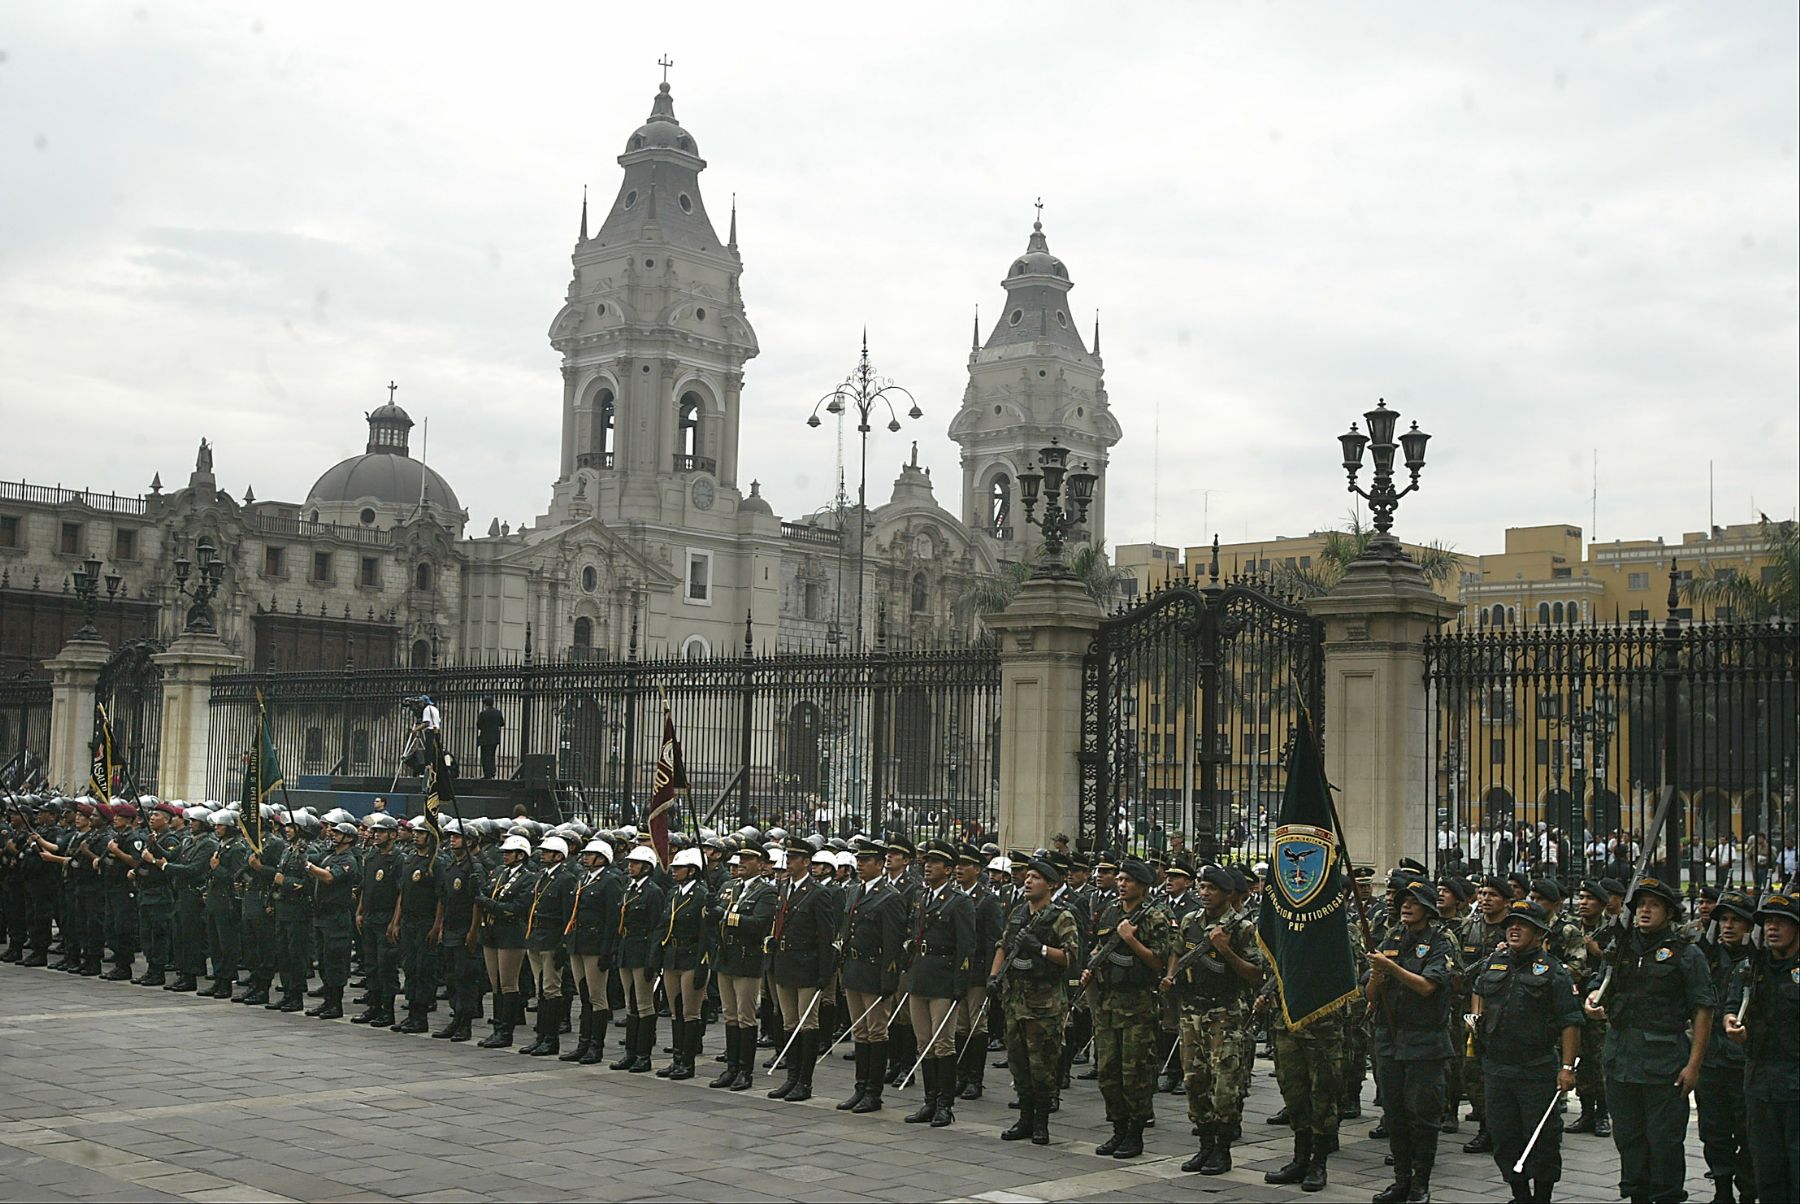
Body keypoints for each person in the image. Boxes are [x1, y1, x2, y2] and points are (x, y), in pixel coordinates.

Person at [1583, 876, 1715, 1204]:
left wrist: (1694, 1065)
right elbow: (1600, 985)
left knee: (1665, 1140)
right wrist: (1593, 1002)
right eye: (1641, 904)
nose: (1645, 910)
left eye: (1653, 905)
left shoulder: (1686, 953)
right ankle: (1636, 1195)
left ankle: (1667, 1196)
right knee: (1628, 1138)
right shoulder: (1621, 947)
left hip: (1665, 1063)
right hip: (1621, 1059)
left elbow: (1703, 1010)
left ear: (1669, 912)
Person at [1470, 899, 1582, 1203]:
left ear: (1538, 933)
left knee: (1542, 1139)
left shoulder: (1553, 971)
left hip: (1535, 1068)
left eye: (1523, 925)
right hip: (1497, 1066)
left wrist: (1567, 1068)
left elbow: (1570, 1022)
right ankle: (1520, 1195)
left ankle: (1542, 1197)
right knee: (1504, 1136)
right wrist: (1476, 1023)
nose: (1514, 929)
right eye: (1511, 924)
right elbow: (1478, 990)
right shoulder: (1495, 962)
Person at [1367, 879, 1460, 1204]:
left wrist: (1391, 968)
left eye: (1414, 902)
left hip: (1425, 1041)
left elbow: (1427, 987)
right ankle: (1401, 1180)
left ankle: (1421, 1183)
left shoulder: (1441, 940)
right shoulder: (1391, 936)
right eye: (1403, 901)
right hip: (1390, 1038)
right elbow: (1370, 992)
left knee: (1423, 1116)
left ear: (1428, 908)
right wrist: (1377, 977)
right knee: (1394, 1113)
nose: (1406, 906)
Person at [1169, 863, 1262, 1175]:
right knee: (1195, 1081)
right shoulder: (1190, 921)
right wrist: (1171, 976)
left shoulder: (1241, 927)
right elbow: (1177, 950)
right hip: (1192, 1011)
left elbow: (1255, 974)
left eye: (1211, 888)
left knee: (1225, 1085)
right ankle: (1205, 1145)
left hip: (1225, 1013)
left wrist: (1226, 951)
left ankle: (1222, 1150)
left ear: (1227, 893)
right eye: (1202, 887)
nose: (1204, 893)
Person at [1083, 857, 1173, 1160]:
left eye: (1128, 880)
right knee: (1108, 1071)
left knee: (1135, 1072)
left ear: (1144, 886)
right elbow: (1100, 945)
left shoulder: (1155, 916)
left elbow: (1158, 962)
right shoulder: (1111, 911)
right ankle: (1118, 1128)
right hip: (1109, 1003)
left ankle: (1135, 1133)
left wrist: (1131, 940)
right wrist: (1093, 963)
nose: (1121, 885)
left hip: (1138, 1005)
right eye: (1119, 879)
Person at [992, 856, 1078, 1146]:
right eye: (1027, 876)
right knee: (1019, 1063)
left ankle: (1041, 1122)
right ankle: (1025, 1118)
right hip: (1015, 999)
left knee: (1042, 1066)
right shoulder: (1018, 913)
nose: (1028, 881)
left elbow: (1069, 958)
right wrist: (994, 976)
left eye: (1036, 878)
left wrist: (1040, 948)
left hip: (1045, 1003)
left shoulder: (1061, 916)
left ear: (1052, 885)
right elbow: (1003, 946)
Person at [1725, 891, 1799, 1204]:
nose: (1772, 928)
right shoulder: (1751, 967)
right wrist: (1732, 1022)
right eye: (1768, 922)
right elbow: (1730, 1006)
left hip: (1796, 1083)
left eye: (1782, 923)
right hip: (1759, 1080)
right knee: (1766, 1168)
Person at [901, 838, 975, 1128]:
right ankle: (929, 1100)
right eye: (926, 861)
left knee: (942, 1042)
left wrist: (960, 984)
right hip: (920, 975)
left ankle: (945, 1104)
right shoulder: (922, 898)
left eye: (934, 862)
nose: (927, 866)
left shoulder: (960, 902)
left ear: (948, 868)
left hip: (944, 978)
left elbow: (966, 946)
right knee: (923, 1043)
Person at [836, 836, 906, 1113]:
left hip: (875, 971)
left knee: (876, 1032)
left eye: (865, 861)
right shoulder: (855, 891)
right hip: (854, 969)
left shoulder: (890, 897)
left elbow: (893, 944)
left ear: (880, 864)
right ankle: (860, 1087)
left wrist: (889, 979)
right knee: (860, 1032)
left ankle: (873, 1093)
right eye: (858, 860)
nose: (860, 865)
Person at [767, 832, 838, 1103]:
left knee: (807, 1024)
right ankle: (791, 1076)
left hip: (807, 964)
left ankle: (804, 1082)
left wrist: (824, 972)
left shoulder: (818, 893)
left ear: (807, 862)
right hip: (785, 963)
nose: (789, 862)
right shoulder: (785, 888)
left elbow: (825, 935)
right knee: (789, 1022)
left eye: (794, 858)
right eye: (789, 857)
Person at [1697, 890, 1756, 1204]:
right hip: (1710, 1059)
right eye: (1724, 920)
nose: (1728, 926)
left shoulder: (1759, 959)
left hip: (1744, 1061)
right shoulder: (1704, 956)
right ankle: (1722, 1190)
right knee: (1714, 1130)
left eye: (1737, 921)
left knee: (1748, 1132)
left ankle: (1748, 1190)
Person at [954, 840, 1006, 1101]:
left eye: (965, 865)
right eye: (957, 864)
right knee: (959, 1025)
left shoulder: (987, 901)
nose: (959, 869)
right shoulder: (952, 895)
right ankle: (960, 1075)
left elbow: (993, 941)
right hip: (955, 971)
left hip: (976, 970)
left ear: (977, 869)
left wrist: (991, 976)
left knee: (975, 1025)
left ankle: (975, 1078)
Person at [656, 846, 714, 1079]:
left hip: (692, 957)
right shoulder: (673, 893)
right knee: (675, 1011)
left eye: (679, 868)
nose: (673, 871)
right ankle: (677, 1058)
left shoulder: (701, 895)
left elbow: (706, 934)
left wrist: (702, 963)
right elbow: (664, 925)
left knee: (690, 1012)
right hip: (673, 955)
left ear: (692, 870)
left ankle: (687, 1063)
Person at [475, 833, 537, 1049]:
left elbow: (517, 908)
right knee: (495, 984)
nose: (505, 856)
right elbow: (487, 892)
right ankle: (497, 1028)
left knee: (508, 983)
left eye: (509, 852)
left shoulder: (528, 877)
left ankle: (506, 1032)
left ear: (521, 855)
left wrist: (489, 904)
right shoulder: (500, 872)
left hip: (511, 934)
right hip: (492, 931)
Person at [611, 844, 665, 1071]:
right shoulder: (629, 888)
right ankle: (630, 1052)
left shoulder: (653, 892)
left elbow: (656, 928)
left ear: (646, 867)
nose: (630, 867)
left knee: (644, 1004)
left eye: (635, 864)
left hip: (642, 951)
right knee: (629, 1003)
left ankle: (644, 1054)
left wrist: (653, 960)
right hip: (627, 948)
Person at [519, 834, 574, 1057]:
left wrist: (563, 944)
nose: (543, 855)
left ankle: (551, 1039)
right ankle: (541, 1036)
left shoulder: (566, 879)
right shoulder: (543, 876)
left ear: (559, 855)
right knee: (541, 989)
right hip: (537, 939)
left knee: (551, 989)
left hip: (552, 940)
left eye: (547, 852)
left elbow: (568, 915)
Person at [431, 819, 485, 1042]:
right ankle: (456, 1017)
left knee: (466, 978)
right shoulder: (451, 865)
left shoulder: (474, 867)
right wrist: (439, 925)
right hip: (451, 928)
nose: (452, 839)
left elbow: (477, 901)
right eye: (451, 836)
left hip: (465, 928)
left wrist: (473, 931)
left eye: (457, 836)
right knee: (452, 977)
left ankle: (465, 1023)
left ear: (469, 841)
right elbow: (443, 898)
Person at [302, 820, 360, 1019]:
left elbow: (328, 877)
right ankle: (327, 1001)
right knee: (324, 961)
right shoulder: (329, 855)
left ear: (349, 838)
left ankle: (336, 1004)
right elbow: (313, 859)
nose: (332, 835)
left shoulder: (348, 860)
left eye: (338, 833)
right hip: (322, 915)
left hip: (336, 917)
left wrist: (308, 866)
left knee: (335, 961)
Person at [352, 813, 402, 1028]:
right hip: (371, 915)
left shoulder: (399, 859)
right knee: (371, 965)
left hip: (386, 915)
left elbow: (401, 893)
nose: (376, 835)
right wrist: (360, 911)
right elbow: (366, 886)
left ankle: (387, 1010)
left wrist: (395, 922)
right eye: (375, 832)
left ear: (392, 835)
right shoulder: (372, 856)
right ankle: (373, 1006)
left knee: (386, 966)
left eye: (381, 832)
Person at [475, 697, 505, 779]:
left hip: (485, 738)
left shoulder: (483, 714)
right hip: (495, 738)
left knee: (485, 757)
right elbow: (502, 723)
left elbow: (479, 725)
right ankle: (492, 772)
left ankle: (487, 774)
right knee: (492, 755)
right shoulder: (498, 713)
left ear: (485, 704)